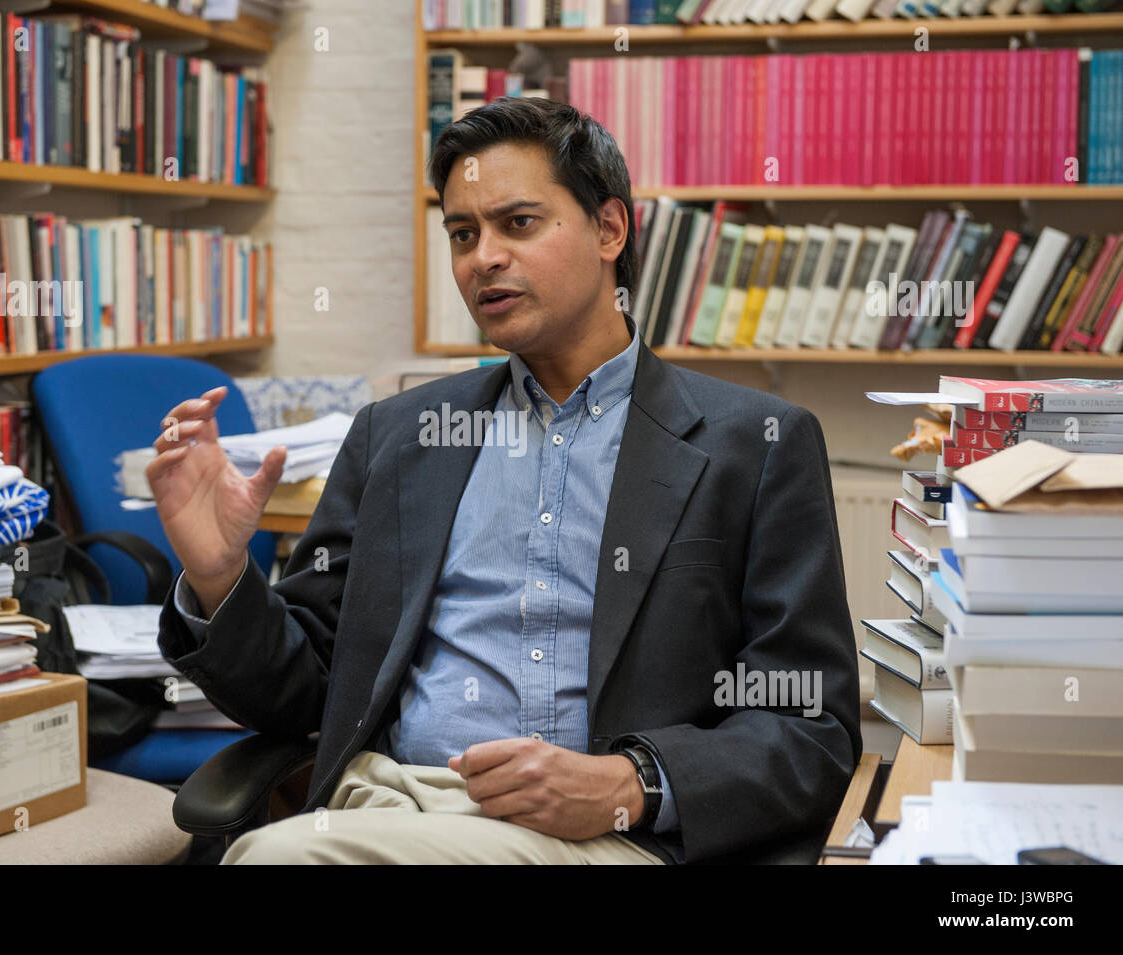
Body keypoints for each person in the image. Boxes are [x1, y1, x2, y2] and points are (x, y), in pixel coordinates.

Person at [149, 97, 862, 864]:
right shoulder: (398, 436)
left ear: (609, 230)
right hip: (389, 803)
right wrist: (220, 578)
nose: (481, 257)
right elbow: (312, 691)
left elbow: (809, 723)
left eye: (517, 223)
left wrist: (633, 782)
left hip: (608, 837)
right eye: (463, 233)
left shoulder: (753, 444)